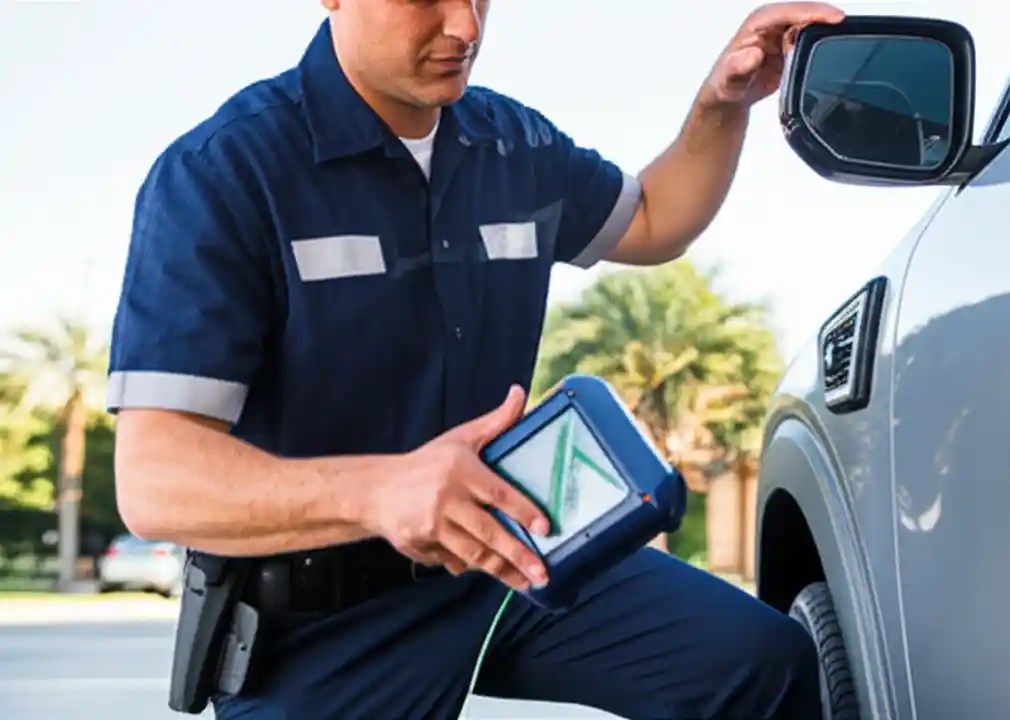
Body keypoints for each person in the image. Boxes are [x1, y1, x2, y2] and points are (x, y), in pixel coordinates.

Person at [106, 1, 844, 718]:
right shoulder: (224, 172)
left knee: (763, 665)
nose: (465, 26)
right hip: (322, 618)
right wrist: (380, 491)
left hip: (513, 554)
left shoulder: (515, 144)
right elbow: (155, 483)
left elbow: (654, 219)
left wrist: (722, 105)